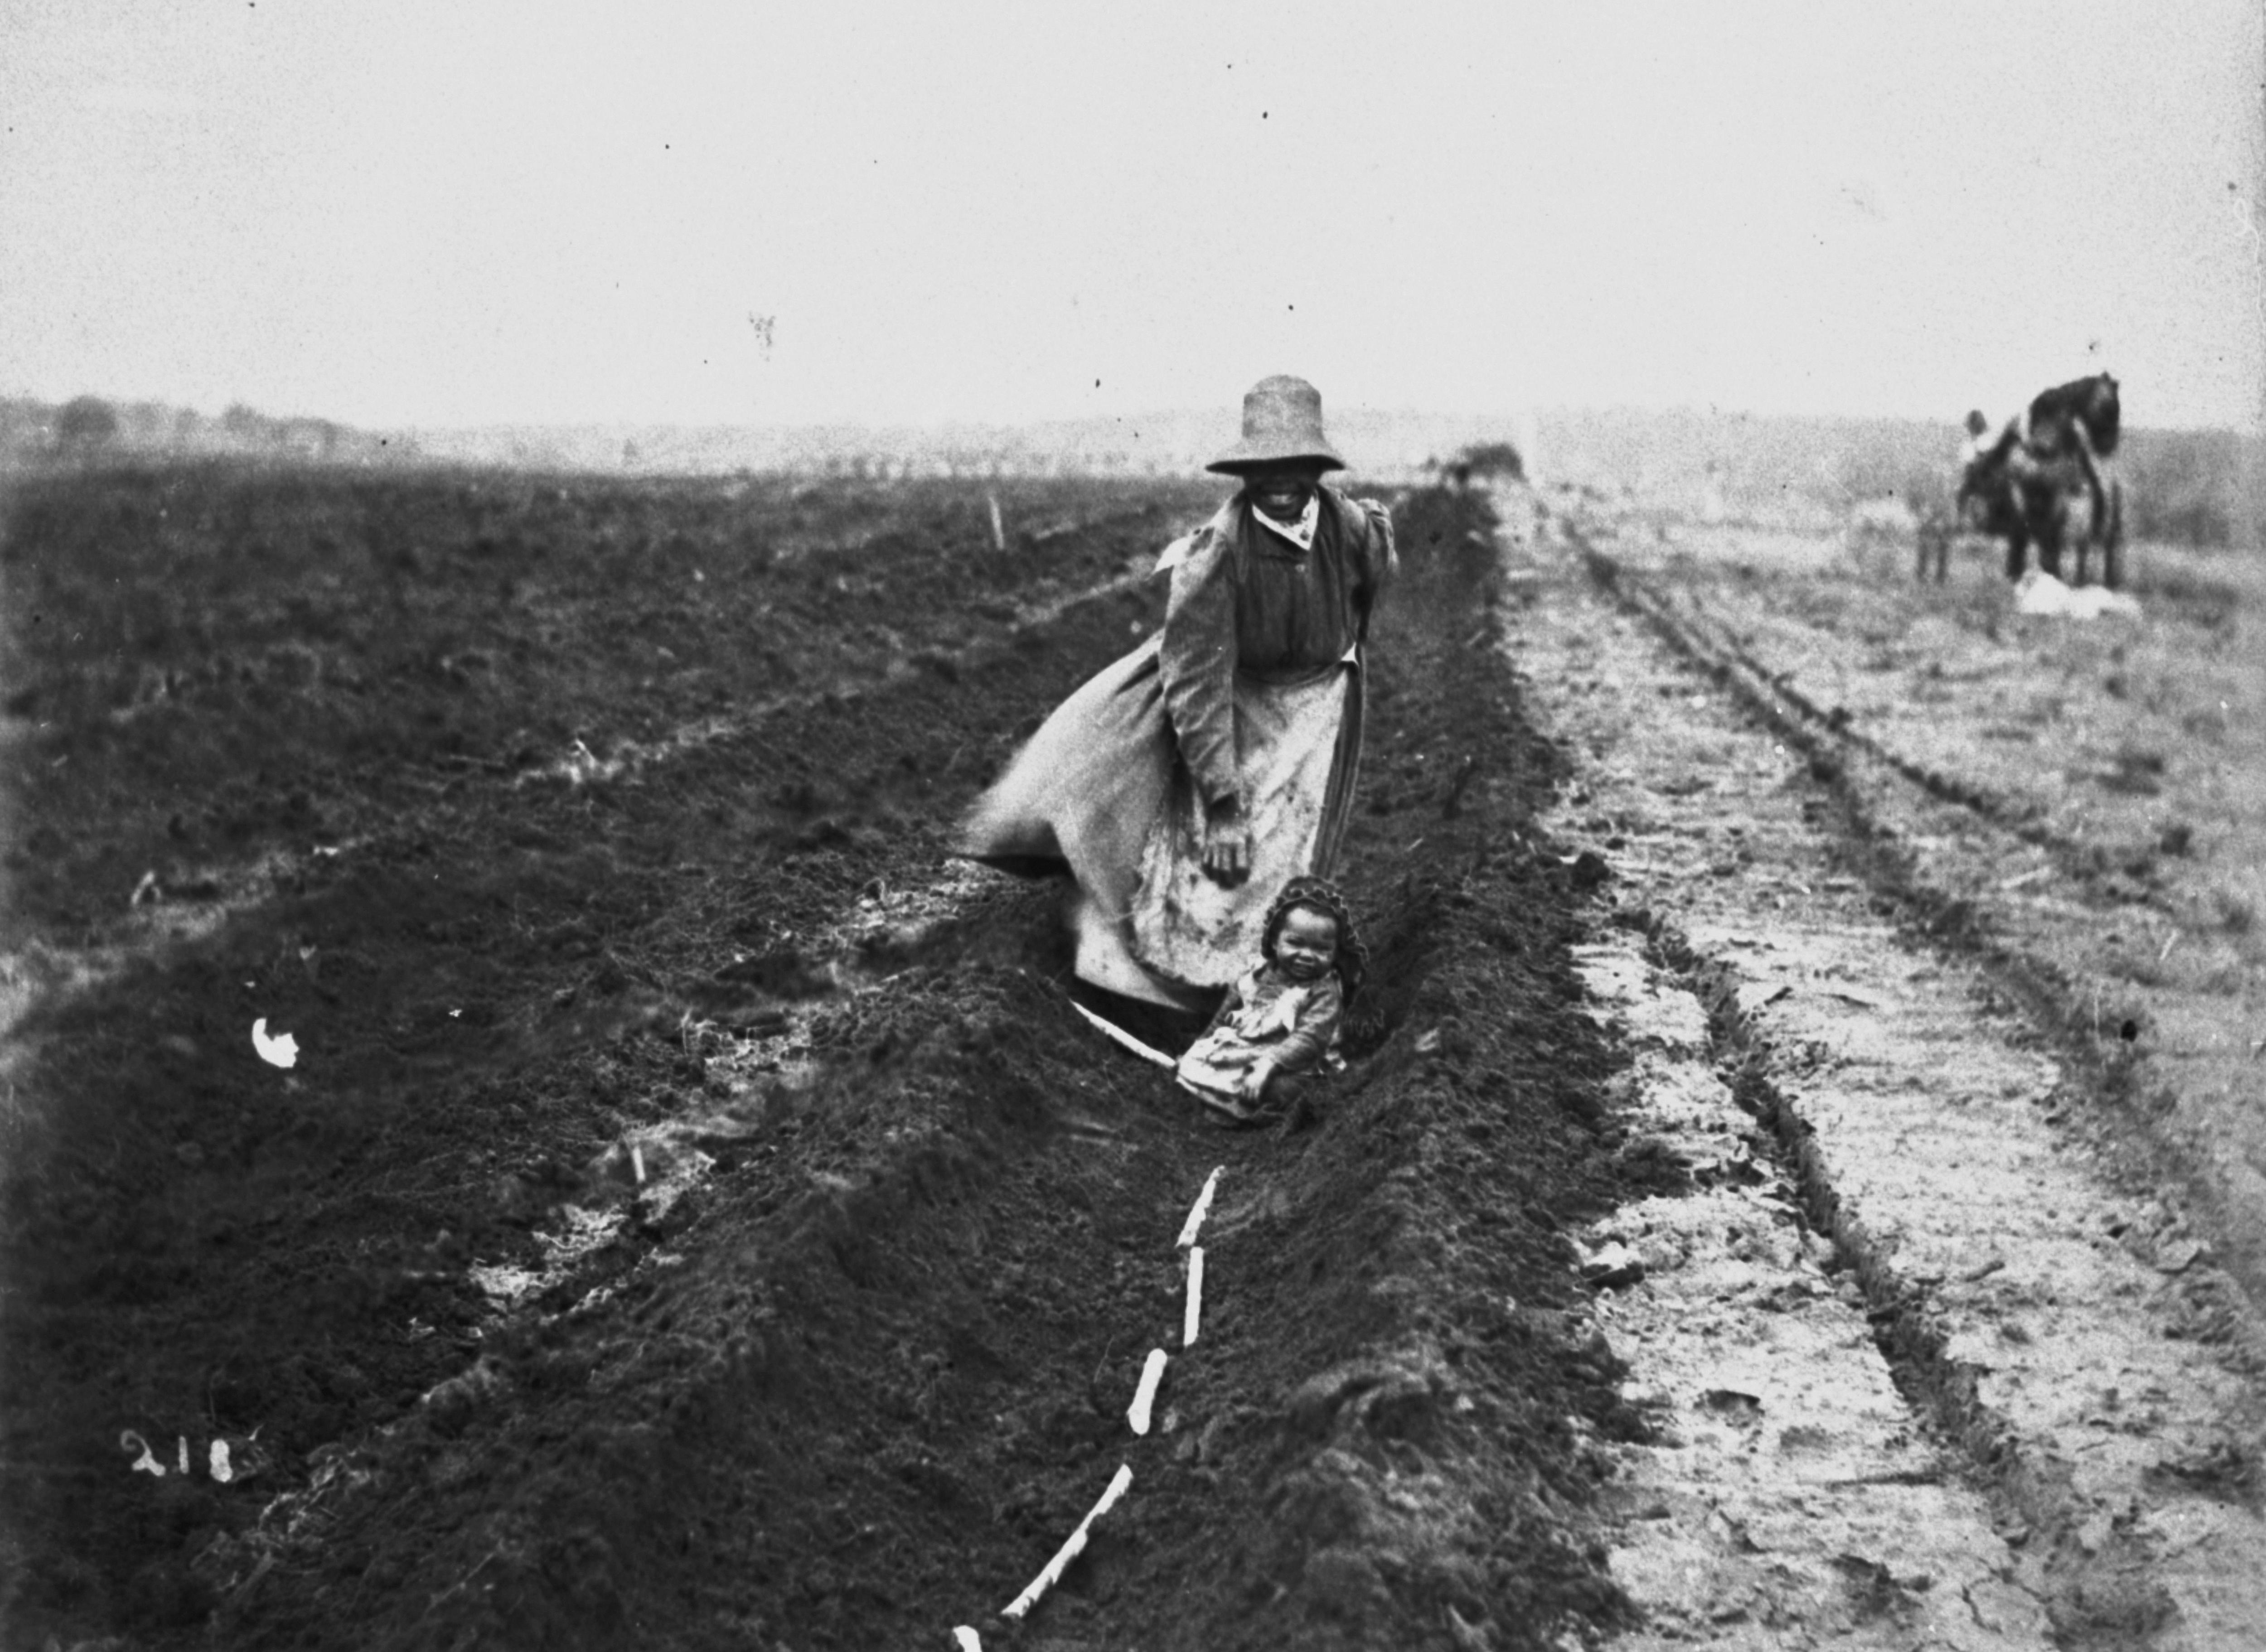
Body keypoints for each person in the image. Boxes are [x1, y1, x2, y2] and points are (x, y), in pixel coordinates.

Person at [959, 377, 1395, 1019]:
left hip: (1316, 709)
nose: (1280, 482)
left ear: (1317, 469)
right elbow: (1195, 679)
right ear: (1243, 473)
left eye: (1295, 467)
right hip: (1234, 702)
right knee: (1223, 858)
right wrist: (1220, 798)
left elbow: (1373, 576)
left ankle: (1275, 997)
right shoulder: (1220, 549)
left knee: (1296, 854)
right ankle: (1183, 999)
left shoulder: (1349, 526)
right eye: (1263, 469)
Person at [1175, 876, 1368, 1126]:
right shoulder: (1257, 974)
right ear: (1275, 941)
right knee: (1205, 1056)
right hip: (1247, 1050)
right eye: (1296, 943)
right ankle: (1216, 1096)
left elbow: (1309, 1040)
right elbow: (1224, 1015)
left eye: (1322, 950)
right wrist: (1198, 1047)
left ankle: (1247, 1114)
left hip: (1295, 1063)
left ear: (1335, 951)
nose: (1307, 956)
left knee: (1280, 1089)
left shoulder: (1323, 992)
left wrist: (1268, 1064)